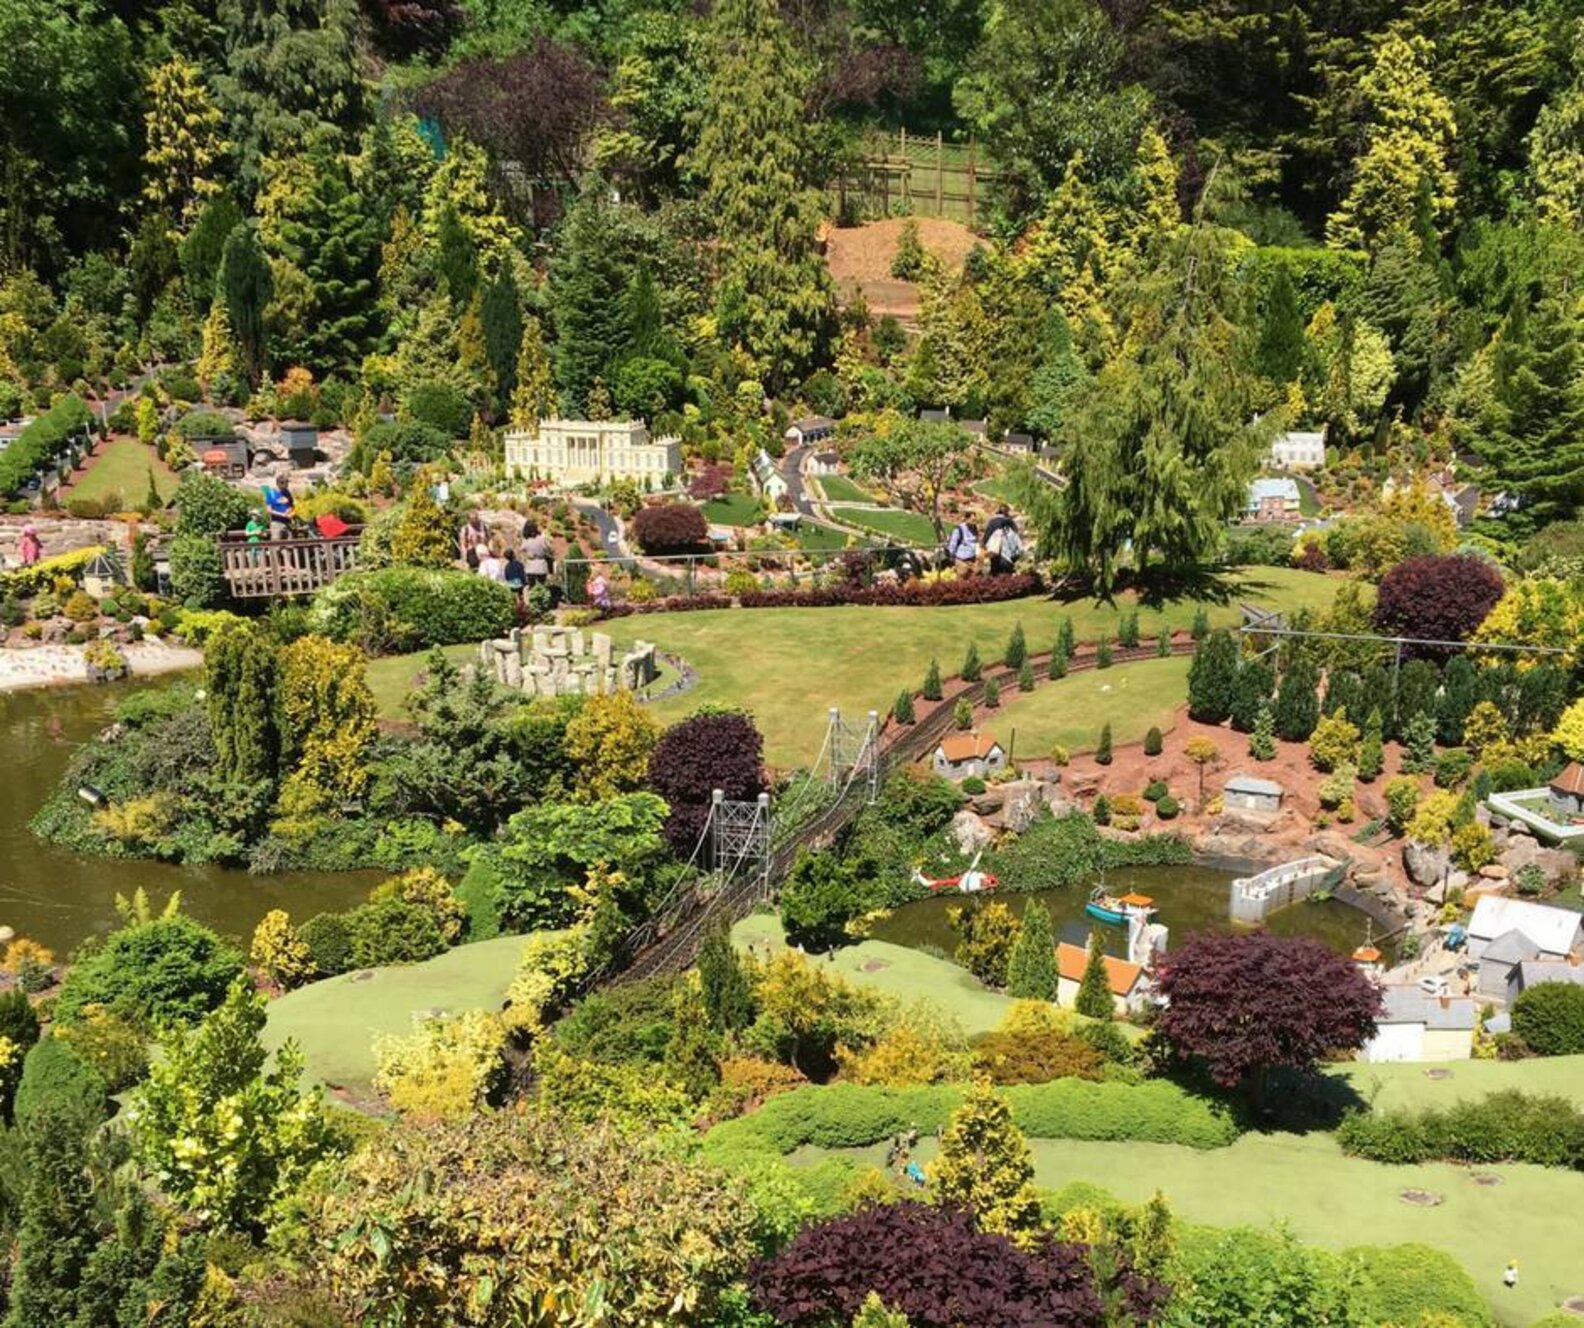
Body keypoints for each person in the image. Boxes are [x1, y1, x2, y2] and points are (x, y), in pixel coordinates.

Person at [984, 504, 1022, 575]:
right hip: (1008, 556)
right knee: (1007, 576)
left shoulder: (992, 522)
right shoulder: (1011, 522)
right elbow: (1018, 544)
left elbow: (986, 539)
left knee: (995, 574)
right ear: (1007, 512)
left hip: (995, 554)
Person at [521, 519, 553, 588]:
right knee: (541, 587)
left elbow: (522, 550)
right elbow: (548, 549)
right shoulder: (542, 539)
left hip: (530, 566)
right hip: (541, 565)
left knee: (531, 587)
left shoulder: (525, 540)